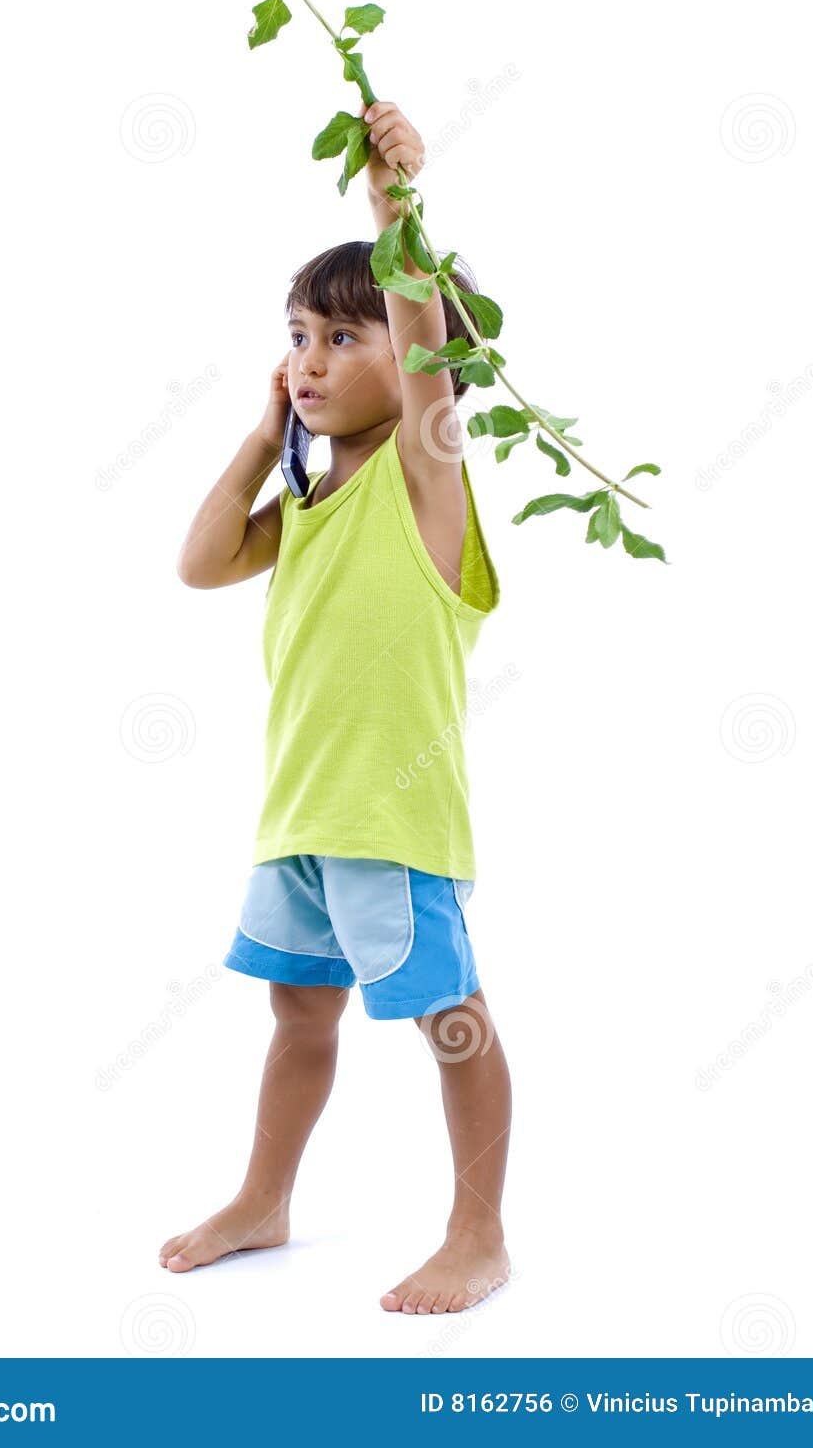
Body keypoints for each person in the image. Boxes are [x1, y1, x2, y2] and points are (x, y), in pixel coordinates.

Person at [162, 101, 513, 1314]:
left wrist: (394, 212)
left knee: (450, 1024)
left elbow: (427, 348)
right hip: (302, 820)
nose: (310, 359)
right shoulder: (306, 506)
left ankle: (480, 1232)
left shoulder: (426, 478)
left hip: (395, 825)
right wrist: (266, 432)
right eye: (299, 335)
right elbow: (202, 561)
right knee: (295, 1009)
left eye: (342, 338)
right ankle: (267, 1197)